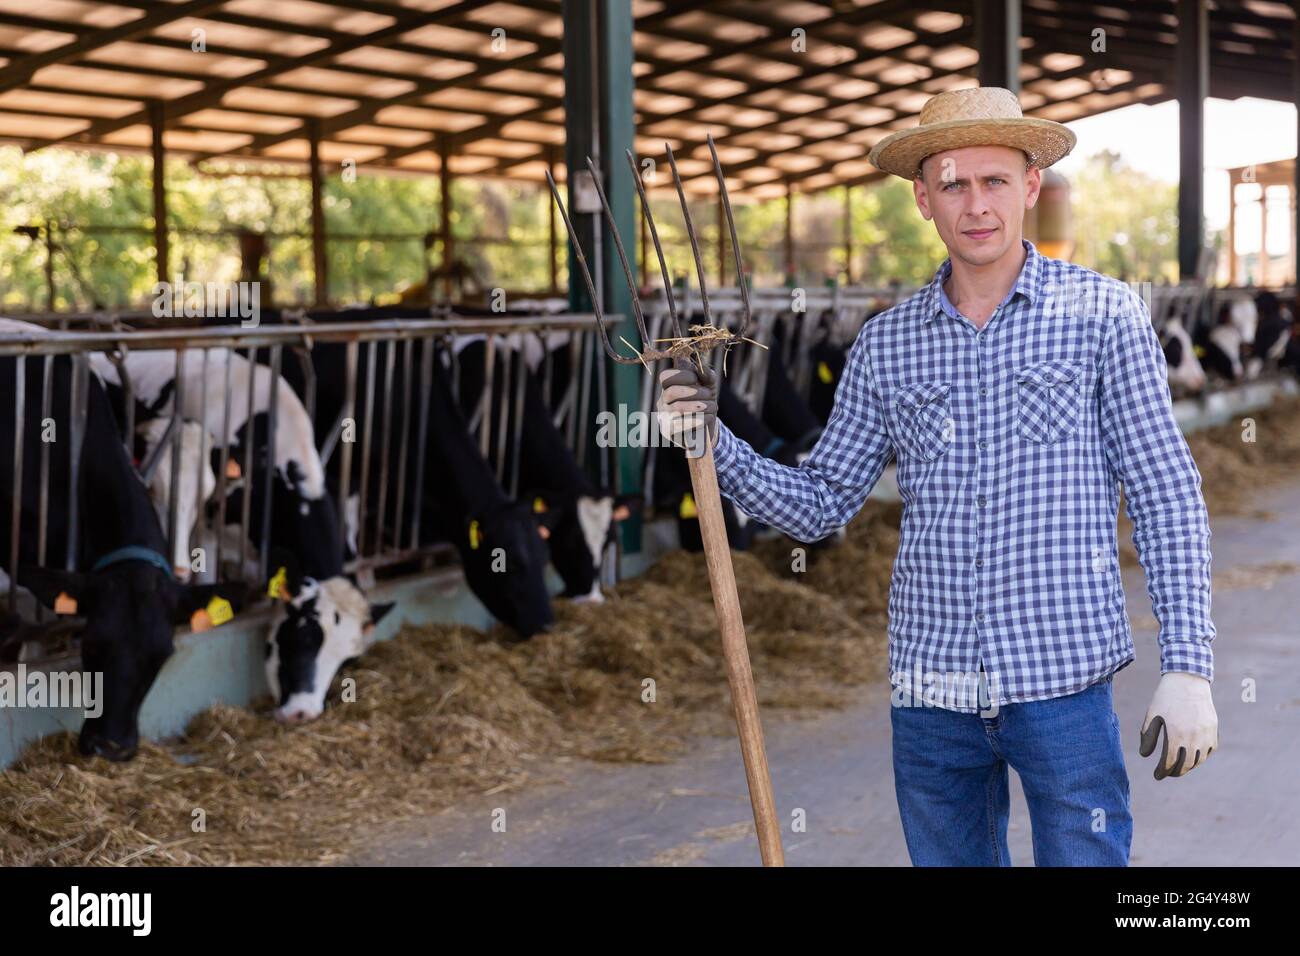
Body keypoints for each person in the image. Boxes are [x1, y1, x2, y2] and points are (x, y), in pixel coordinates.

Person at [655, 86, 1219, 867]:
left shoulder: (1104, 316)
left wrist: (1188, 663)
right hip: (930, 695)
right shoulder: (886, 346)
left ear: (1030, 187)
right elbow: (820, 505)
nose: (975, 204)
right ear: (922, 198)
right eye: (953, 183)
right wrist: (712, 444)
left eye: (995, 181)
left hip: (1062, 684)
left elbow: (1165, 492)